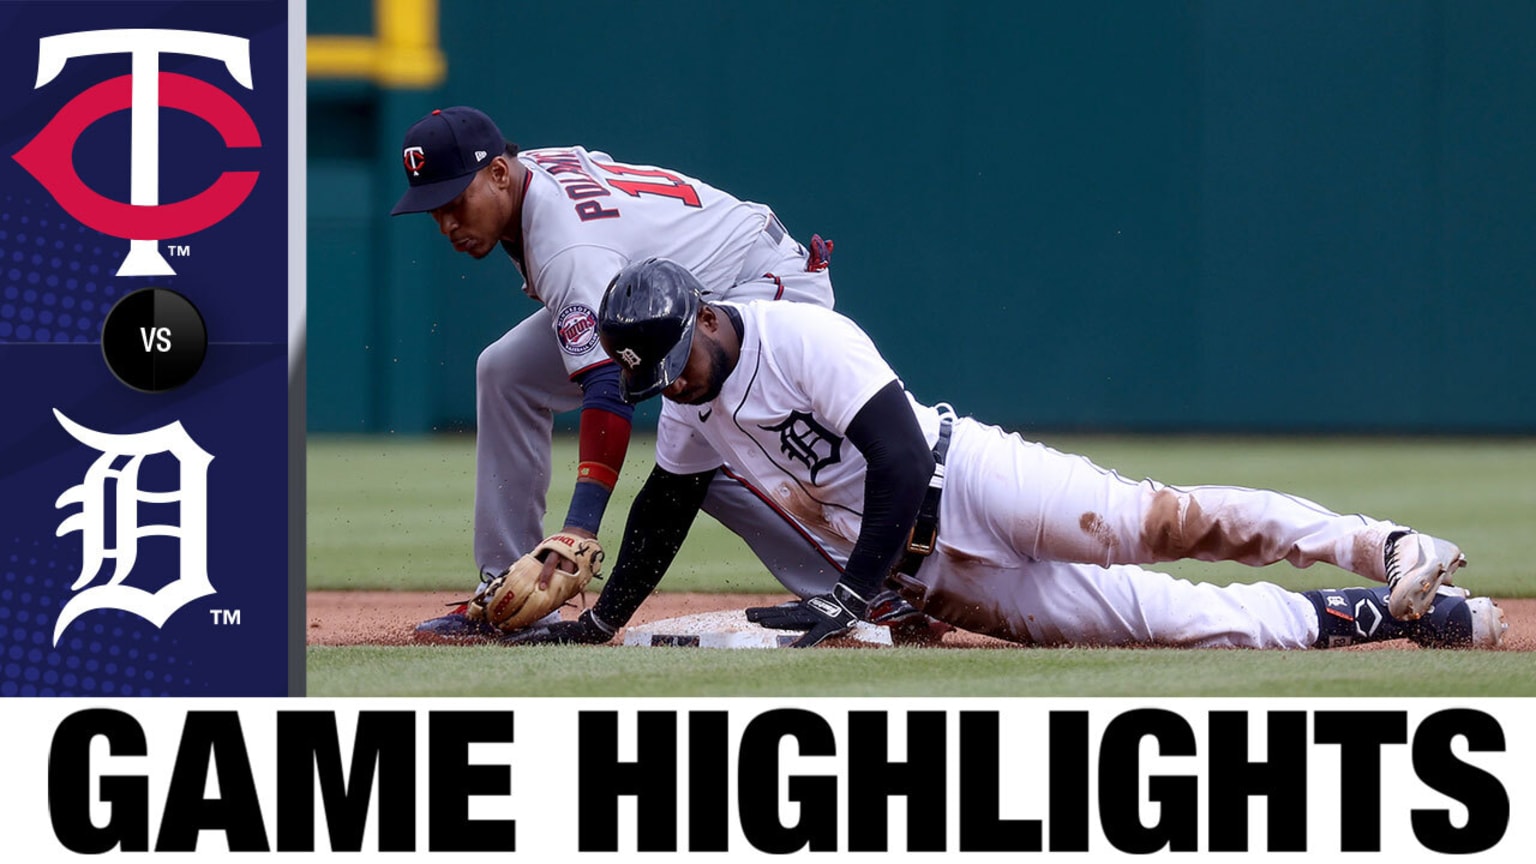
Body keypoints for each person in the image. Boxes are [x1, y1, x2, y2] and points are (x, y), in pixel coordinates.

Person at [500, 258, 1507, 650]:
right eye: (656, 376)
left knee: (1160, 522)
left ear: (707, 320)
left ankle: (1389, 545)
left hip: (970, 476)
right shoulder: (689, 406)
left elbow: (893, 460)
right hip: (933, 567)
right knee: (1181, 626)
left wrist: (848, 598)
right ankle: (1408, 619)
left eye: (676, 361)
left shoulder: (799, 338)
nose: (672, 383)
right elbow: (664, 509)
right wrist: (602, 624)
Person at [390, 106, 866, 638]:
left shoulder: (566, 246)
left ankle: (862, 589)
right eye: (433, 209)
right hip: (670, 294)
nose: (447, 223)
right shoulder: (527, 187)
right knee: (505, 371)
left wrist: (578, 530)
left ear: (499, 174)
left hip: (755, 286)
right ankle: (505, 586)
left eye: (455, 201)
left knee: (697, 451)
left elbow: (607, 387)